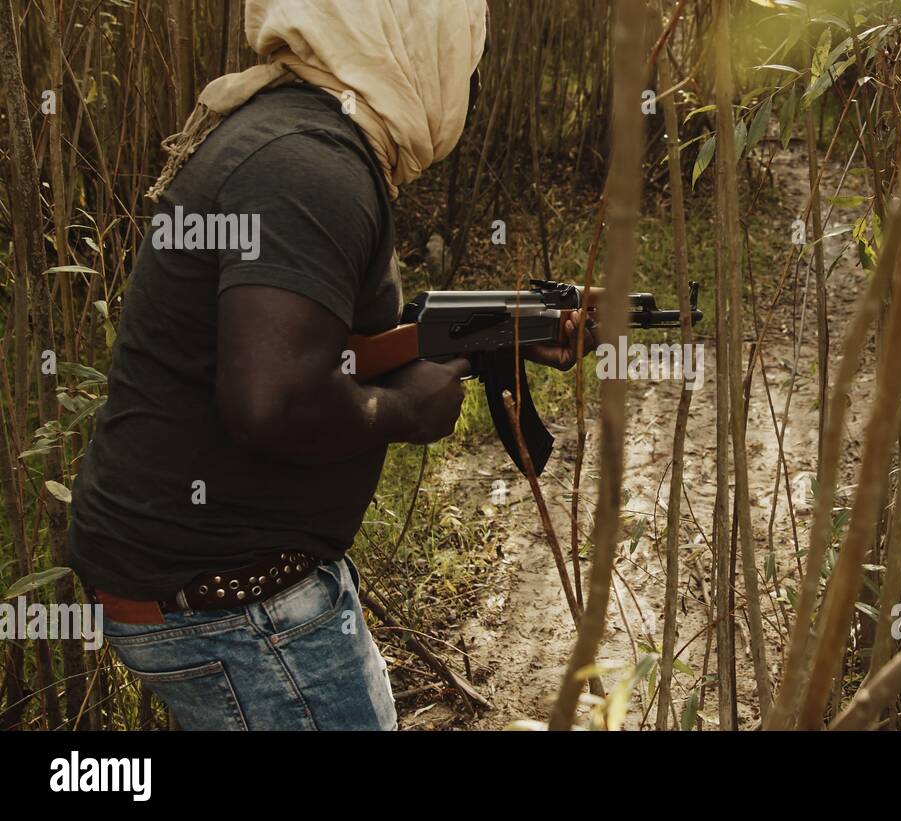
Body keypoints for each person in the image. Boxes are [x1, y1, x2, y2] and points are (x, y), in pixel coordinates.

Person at [69, 0, 582, 730]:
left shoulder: (290, 134)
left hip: (221, 591)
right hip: (237, 612)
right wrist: (414, 410)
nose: (468, 88)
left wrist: (499, 334)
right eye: (465, 61)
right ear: (408, 37)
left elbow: (323, 342)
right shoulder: (311, 165)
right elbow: (271, 398)